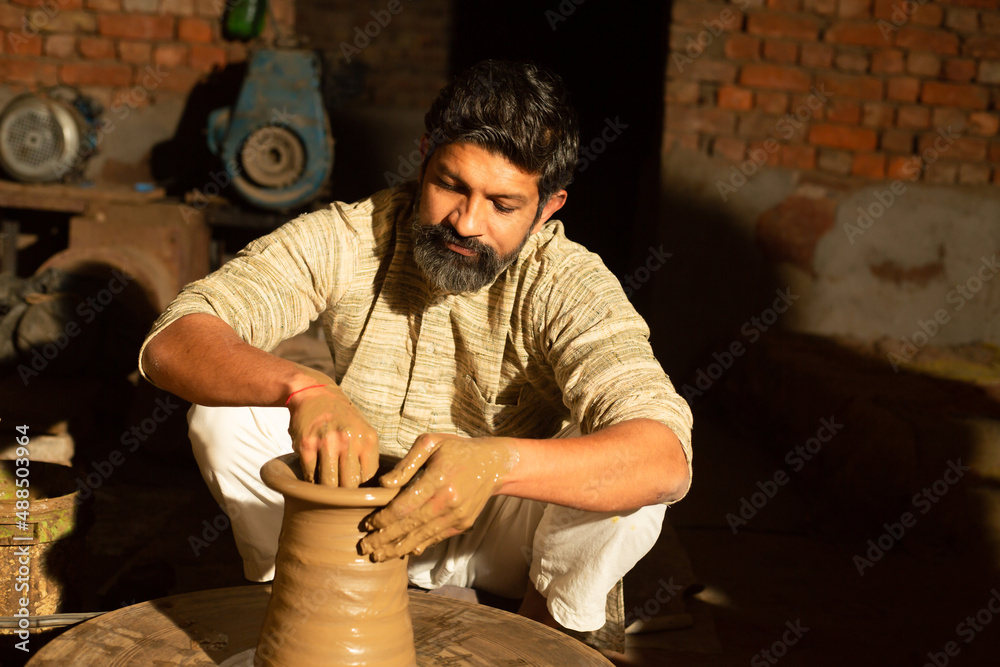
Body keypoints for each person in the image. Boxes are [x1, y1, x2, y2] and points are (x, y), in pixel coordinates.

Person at [139, 60, 693, 637]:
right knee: (225, 416)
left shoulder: (566, 283)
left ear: (547, 208)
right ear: (425, 158)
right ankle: (305, 595)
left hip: (497, 535)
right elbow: (172, 340)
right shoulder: (351, 236)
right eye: (451, 185)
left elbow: (667, 459)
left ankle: (541, 636)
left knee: (632, 480)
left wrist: (497, 464)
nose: (467, 222)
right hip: (352, 509)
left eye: (503, 205)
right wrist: (304, 388)